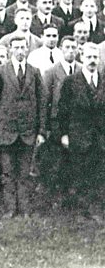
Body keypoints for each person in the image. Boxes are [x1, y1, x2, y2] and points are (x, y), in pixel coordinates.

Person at [0, 36, 47, 218]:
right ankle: (10, 209)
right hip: (7, 130)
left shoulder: (34, 72)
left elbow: (42, 102)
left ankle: (24, 208)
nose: (20, 51)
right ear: (10, 49)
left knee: (24, 172)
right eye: (16, 48)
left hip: (28, 131)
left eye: (23, 47)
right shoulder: (0, 72)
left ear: (27, 49)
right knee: (7, 172)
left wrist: (41, 131)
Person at [56, 42, 104, 220]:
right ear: (82, 57)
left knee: (99, 174)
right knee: (79, 174)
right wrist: (64, 134)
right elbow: (63, 111)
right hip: (78, 136)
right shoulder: (70, 81)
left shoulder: (103, 80)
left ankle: (97, 210)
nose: (92, 61)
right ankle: (80, 212)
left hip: (100, 137)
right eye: (89, 57)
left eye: (95, 57)